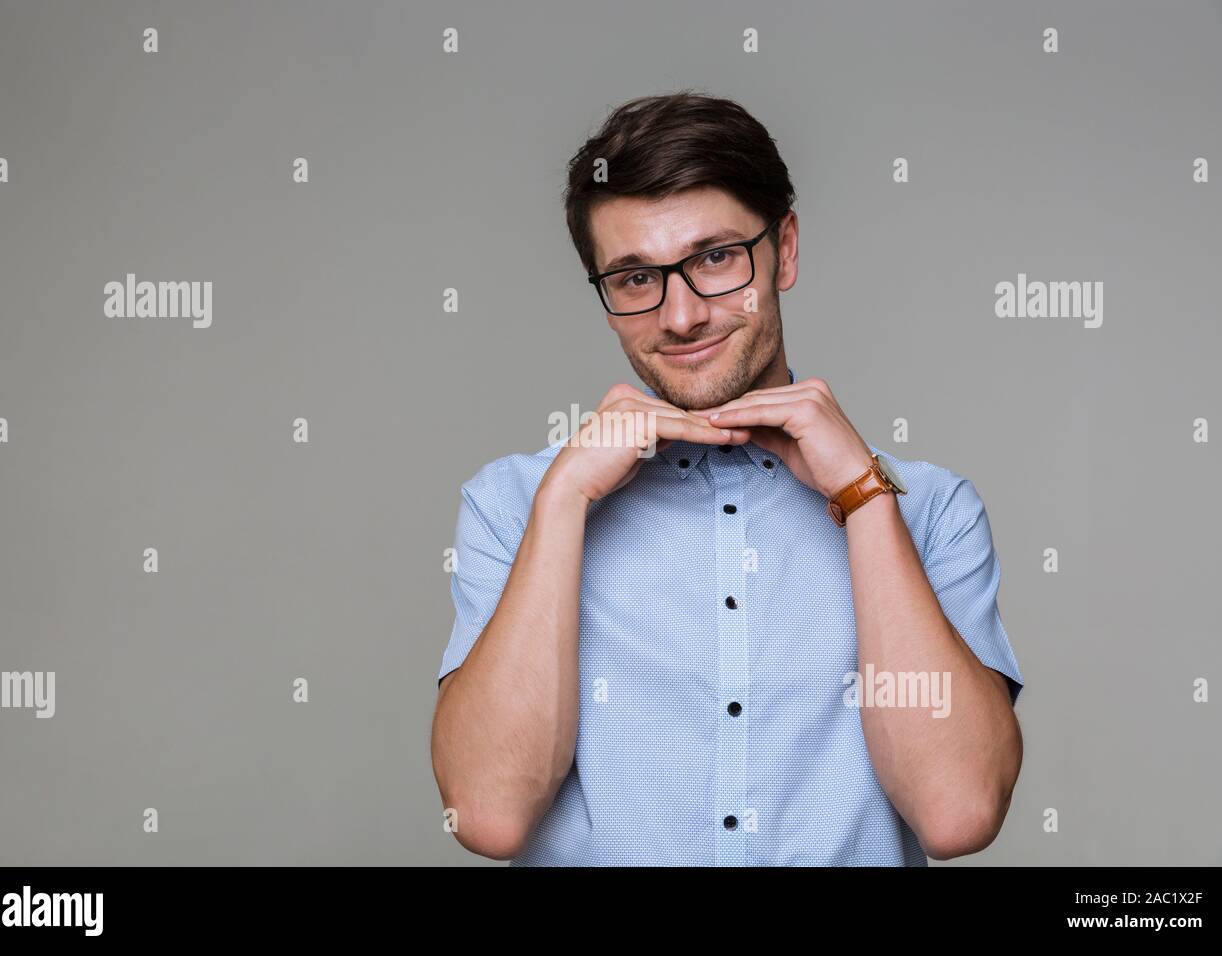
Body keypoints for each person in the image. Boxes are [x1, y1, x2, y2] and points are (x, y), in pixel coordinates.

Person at [431, 91, 1024, 866]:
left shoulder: (931, 509)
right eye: (636, 277)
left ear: (787, 248)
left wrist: (864, 499)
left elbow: (958, 814)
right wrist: (565, 504)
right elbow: (487, 816)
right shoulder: (515, 507)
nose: (680, 316)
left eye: (715, 258)